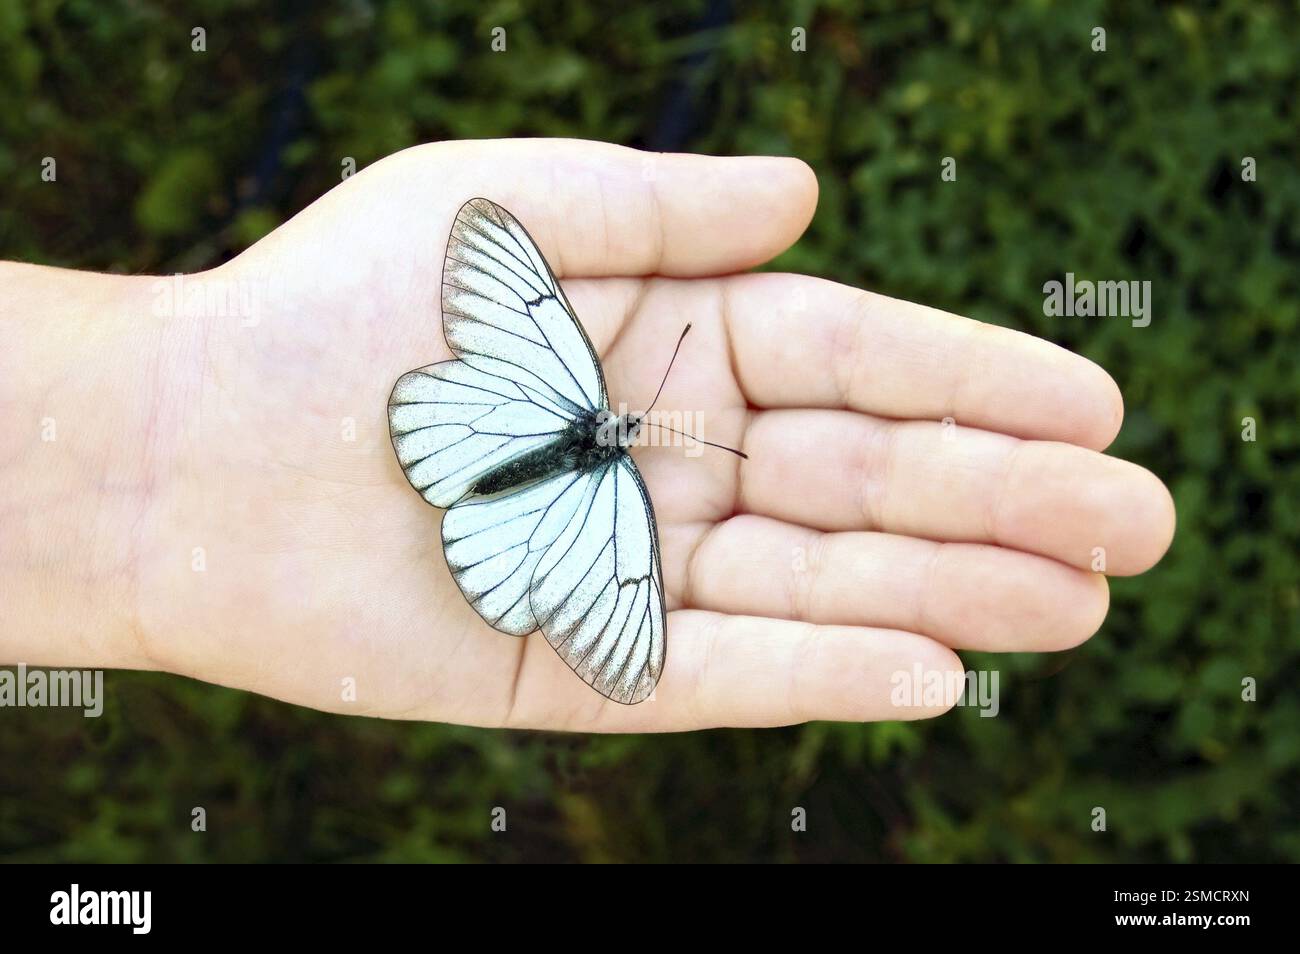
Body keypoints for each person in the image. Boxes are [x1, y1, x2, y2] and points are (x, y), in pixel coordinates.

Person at [0, 138, 1175, 731]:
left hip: (484, 425)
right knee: (602, 574)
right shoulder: (622, 490)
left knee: (581, 550)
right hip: (523, 519)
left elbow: (624, 611)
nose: (628, 423)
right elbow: (615, 592)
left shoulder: (582, 393)